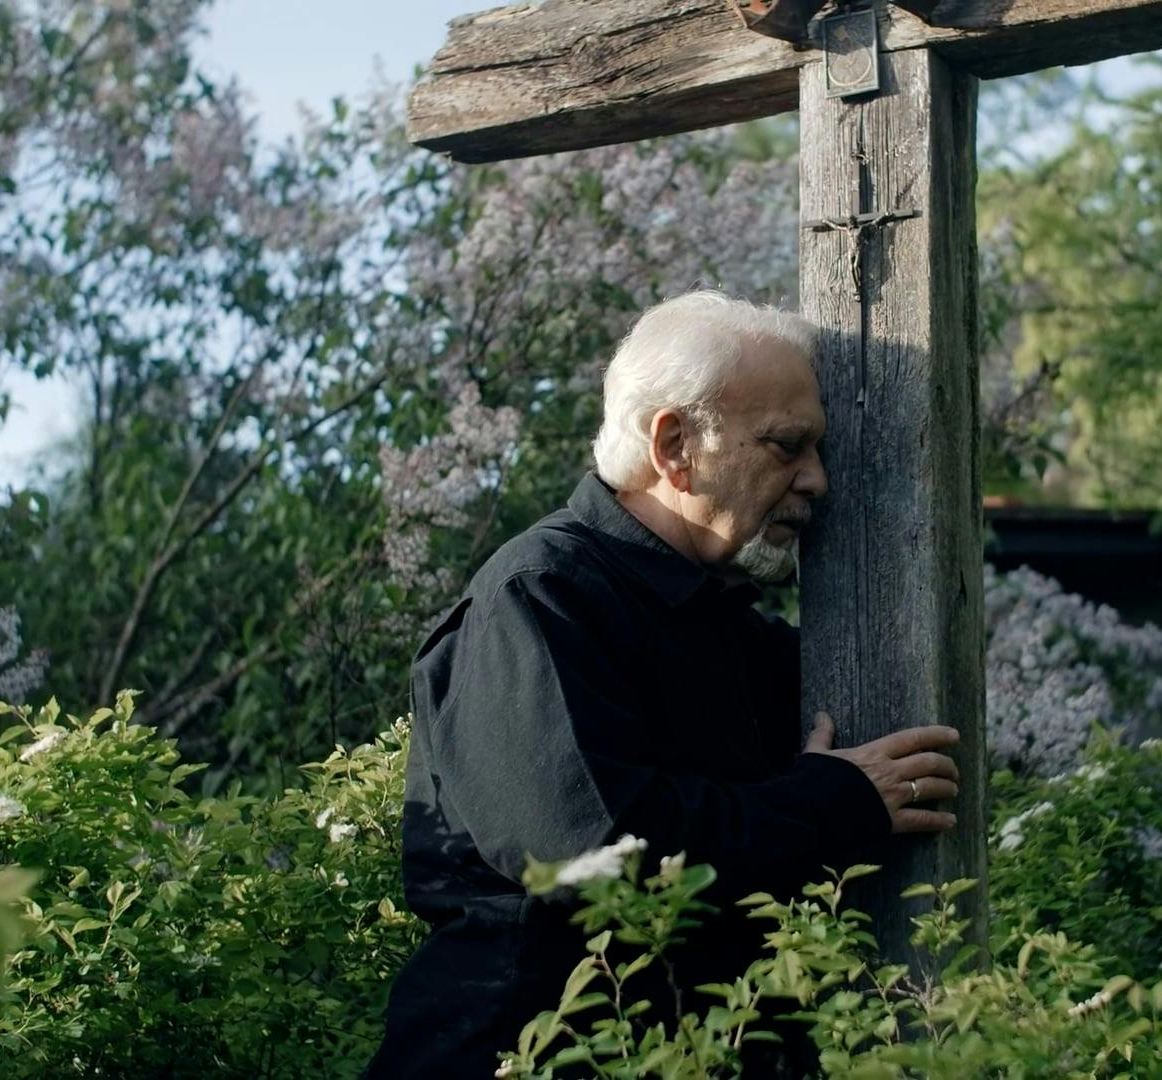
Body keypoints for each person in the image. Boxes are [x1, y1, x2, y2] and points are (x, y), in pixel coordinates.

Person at [366, 291, 962, 1077]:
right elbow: (592, 857)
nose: (817, 480)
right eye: (787, 446)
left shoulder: (733, 632)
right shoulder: (541, 594)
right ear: (675, 443)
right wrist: (829, 801)